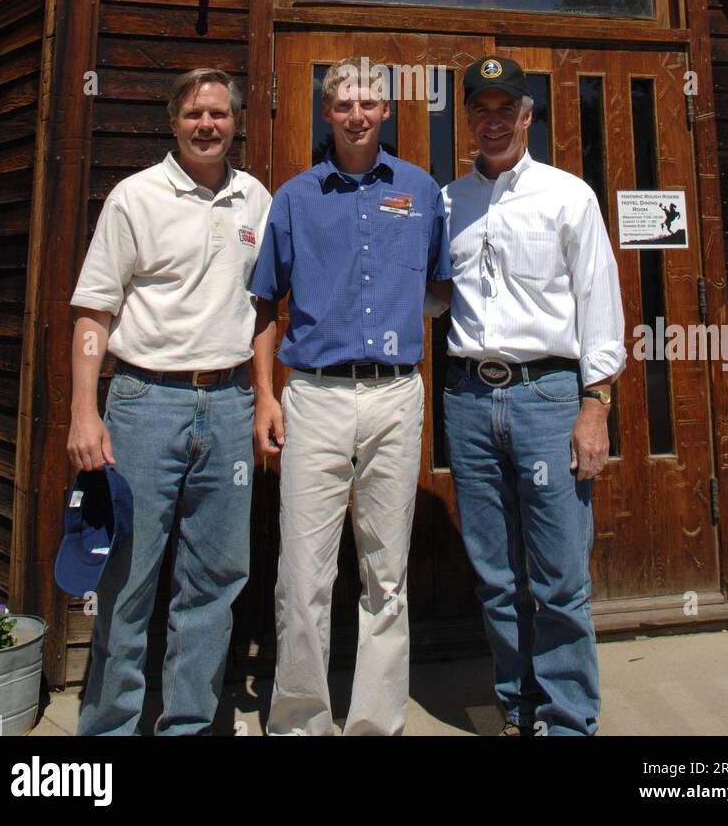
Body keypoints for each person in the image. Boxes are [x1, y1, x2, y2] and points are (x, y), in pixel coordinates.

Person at [67, 68, 271, 736]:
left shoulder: (254, 199)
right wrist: (83, 411)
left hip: (230, 403)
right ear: (172, 121)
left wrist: (267, 396)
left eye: (218, 113)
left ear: (236, 121)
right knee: (126, 585)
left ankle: (187, 725)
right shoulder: (135, 197)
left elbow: (267, 308)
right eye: (194, 114)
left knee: (215, 582)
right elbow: (95, 314)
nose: (207, 125)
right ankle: (107, 733)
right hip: (144, 405)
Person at [251, 58, 451, 736]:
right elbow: (262, 305)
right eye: (344, 103)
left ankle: (374, 724)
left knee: (385, 576)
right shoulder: (295, 198)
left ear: (387, 110)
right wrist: (265, 397)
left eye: (369, 101)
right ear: (327, 112)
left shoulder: (420, 190)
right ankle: (300, 723)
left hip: (396, 396)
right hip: (314, 396)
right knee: (301, 577)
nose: (358, 113)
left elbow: (440, 288)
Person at [434, 55, 626, 737]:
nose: (492, 121)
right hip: (466, 399)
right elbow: (431, 297)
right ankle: (518, 710)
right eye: (479, 109)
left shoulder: (567, 195)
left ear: (526, 114)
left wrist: (594, 404)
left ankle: (568, 720)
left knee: (557, 577)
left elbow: (597, 302)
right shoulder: (446, 203)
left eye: (504, 108)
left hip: (548, 396)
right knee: (493, 573)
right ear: (468, 119)